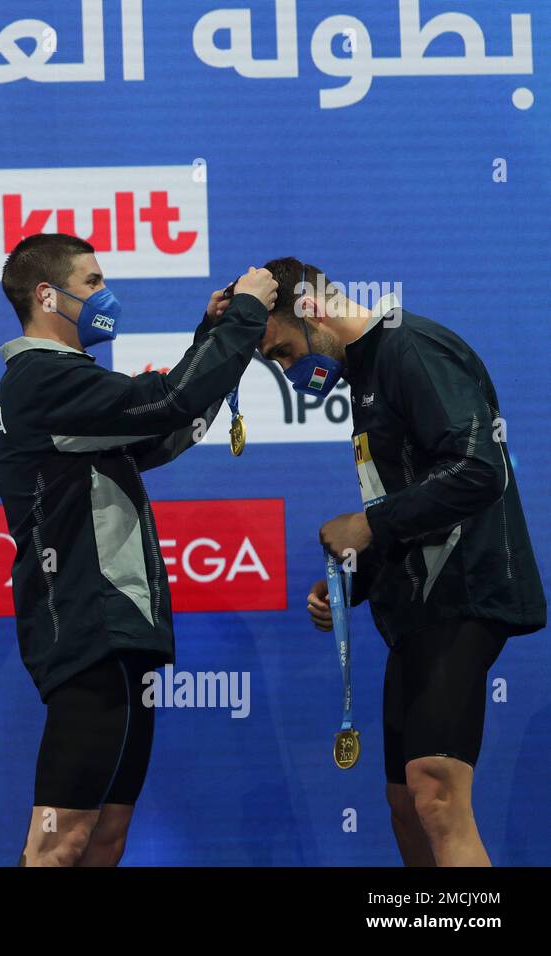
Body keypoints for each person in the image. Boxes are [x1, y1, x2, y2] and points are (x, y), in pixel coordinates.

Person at [0, 233, 277, 866]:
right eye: (92, 282)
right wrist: (250, 318)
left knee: (104, 838)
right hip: (83, 626)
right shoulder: (40, 378)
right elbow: (170, 400)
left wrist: (211, 334)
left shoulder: (75, 383)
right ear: (47, 295)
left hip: (122, 629)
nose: (106, 295)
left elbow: (162, 427)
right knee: (57, 842)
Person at [259, 257, 545, 866]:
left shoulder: (410, 349)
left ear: (310, 309)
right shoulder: (364, 372)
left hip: (464, 595)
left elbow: (477, 471)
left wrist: (367, 524)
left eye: (282, 352)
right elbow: (413, 501)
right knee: (404, 804)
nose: (288, 373)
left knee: (437, 794)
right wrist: (352, 580)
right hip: (418, 609)